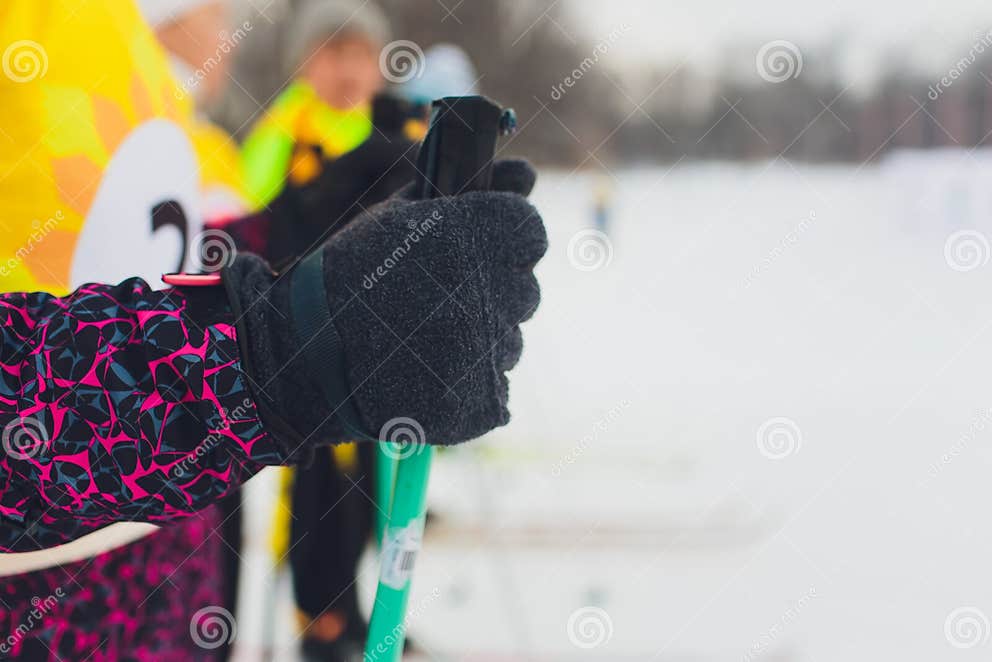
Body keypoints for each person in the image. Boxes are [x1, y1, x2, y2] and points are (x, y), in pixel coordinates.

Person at [240, 0, 390, 209]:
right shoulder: (283, 129)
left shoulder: (403, 128)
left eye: (361, 53)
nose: (348, 70)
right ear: (302, 62)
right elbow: (250, 205)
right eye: (334, 52)